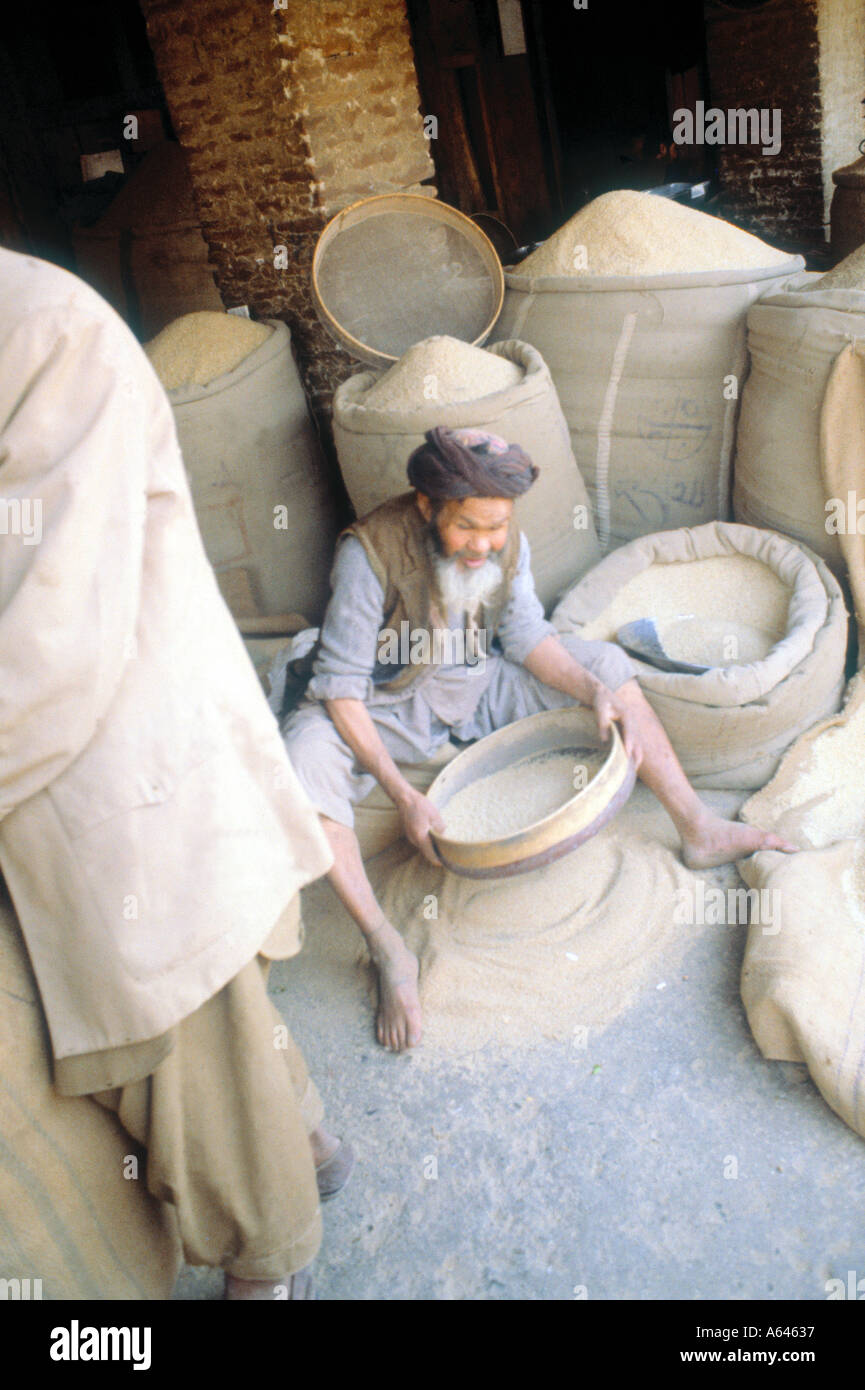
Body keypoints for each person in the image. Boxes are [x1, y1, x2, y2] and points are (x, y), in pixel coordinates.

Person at [0, 245, 350, 1301]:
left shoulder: (46, 334)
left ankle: (266, 1264)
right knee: (221, 1015)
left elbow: (49, 640)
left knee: (180, 1045)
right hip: (64, 776)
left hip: (115, 778)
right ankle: (309, 1143)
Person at [283, 426, 796, 1055]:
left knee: (607, 670)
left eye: (496, 527)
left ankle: (697, 826)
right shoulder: (369, 553)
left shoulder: (505, 540)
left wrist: (591, 690)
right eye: (467, 527)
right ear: (426, 506)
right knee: (304, 761)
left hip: (471, 683)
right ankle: (387, 947)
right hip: (382, 702)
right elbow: (340, 687)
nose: (484, 545)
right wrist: (401, 793)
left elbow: (526, 635)